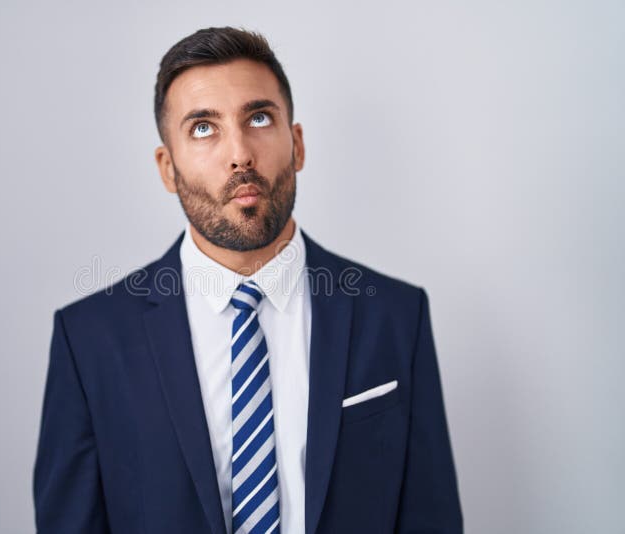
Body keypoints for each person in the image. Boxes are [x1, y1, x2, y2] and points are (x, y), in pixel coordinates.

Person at [33, 26, 462, 534]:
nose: (239, 153)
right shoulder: (89, 340)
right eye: (202, 128)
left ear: (297, 144)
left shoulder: (395, 316)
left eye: (258, 118)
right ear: (167, 169)